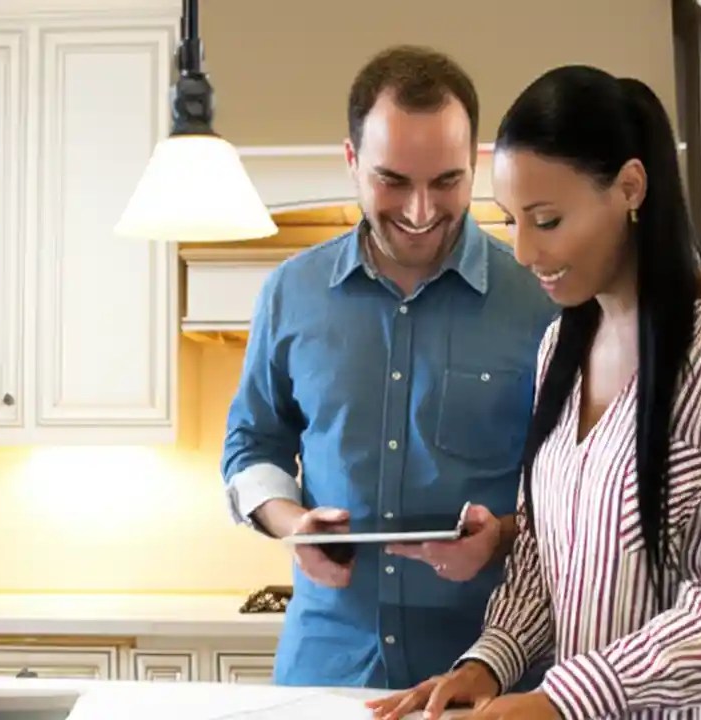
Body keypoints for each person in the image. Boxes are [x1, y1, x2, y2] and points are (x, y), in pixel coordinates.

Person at [367, 64, 701, 719]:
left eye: (547, 220)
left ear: (631, 188)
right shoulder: (563, 346)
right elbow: (543, 554)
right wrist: (488, 661)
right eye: (511, 221)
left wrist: (561, 700)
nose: (523, 252)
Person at [220, 45, 558, 691]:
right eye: (393, 181)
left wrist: (503, 536)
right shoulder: (291, 293)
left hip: (492, 681)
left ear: (477, 164)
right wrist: (293, 527)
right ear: (351, 162)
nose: (422, 210)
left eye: (447, 181)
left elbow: (583, 489)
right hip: (326, 673)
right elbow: (250, 448)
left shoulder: (543, 299)